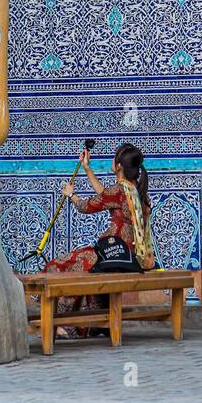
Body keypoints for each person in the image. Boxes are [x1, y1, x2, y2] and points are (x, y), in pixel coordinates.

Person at [45, 142, 156, 333]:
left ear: (119, 165)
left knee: (63, 265)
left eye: (114, 158)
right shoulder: (136, 190)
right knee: (86, 266)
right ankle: (90, 326)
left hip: (113, 255)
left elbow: (85, 207)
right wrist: (87, 169)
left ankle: (60, 322)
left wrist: (71, 195)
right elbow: (105, 196)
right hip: (131, 256)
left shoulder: (119, 191)